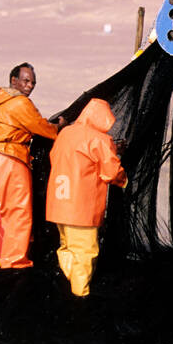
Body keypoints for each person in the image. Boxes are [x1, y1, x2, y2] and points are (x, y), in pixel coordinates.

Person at [0, 63, 65, 268]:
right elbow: (41, 127)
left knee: (11, 210)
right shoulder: (19, 103)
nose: (30, 86)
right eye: (26, 81)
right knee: (20, 210)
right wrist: (59, 126)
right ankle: (15, 261)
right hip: (12, 155)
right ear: (14, 81)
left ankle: (8, 258)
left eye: (33, 83)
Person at [45, 98, 128, 296]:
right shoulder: (100, 139)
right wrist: (124, 180)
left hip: (58, 205)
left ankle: (71, 290)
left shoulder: (65, 133)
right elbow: (110, 171)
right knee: (84, 252)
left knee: (66, 248)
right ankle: (79, 298)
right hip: (81, 209)